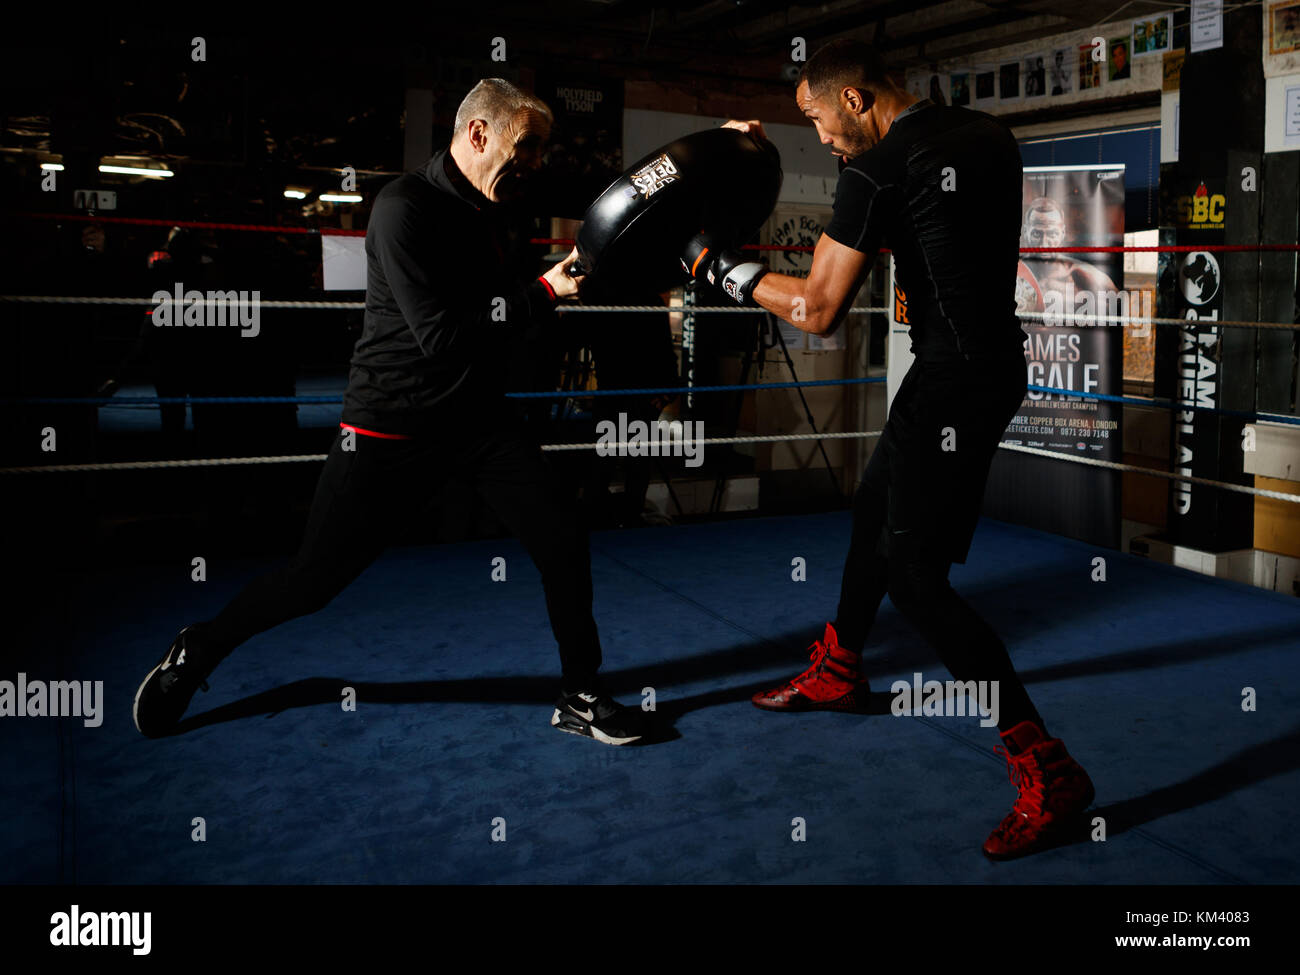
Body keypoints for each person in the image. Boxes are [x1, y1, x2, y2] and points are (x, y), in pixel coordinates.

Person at [133, 78, 650, 747]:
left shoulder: (499, 203)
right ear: (477, 133)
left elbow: (594, 203)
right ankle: (200, 646)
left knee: (562, 535)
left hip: (475, 421)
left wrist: (700, 158)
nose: (534, 162)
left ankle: (581, 694)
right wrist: (544, 291)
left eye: (542, 150)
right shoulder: (403, 207)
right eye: (527, 145)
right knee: (313, 580)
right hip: (390, 425)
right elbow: (442, 335)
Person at [682, 39, 1094, 860]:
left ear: (858, 101)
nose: (821, 139)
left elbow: (816, 309)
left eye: (819, 120)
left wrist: (715, 265)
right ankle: (839, 663)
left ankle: (1048, 767)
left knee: (917, 580)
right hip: (985, 362)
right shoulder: (986, 135)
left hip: (954, 380)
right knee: (874, 503)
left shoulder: (876, 169)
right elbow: (951, 238)